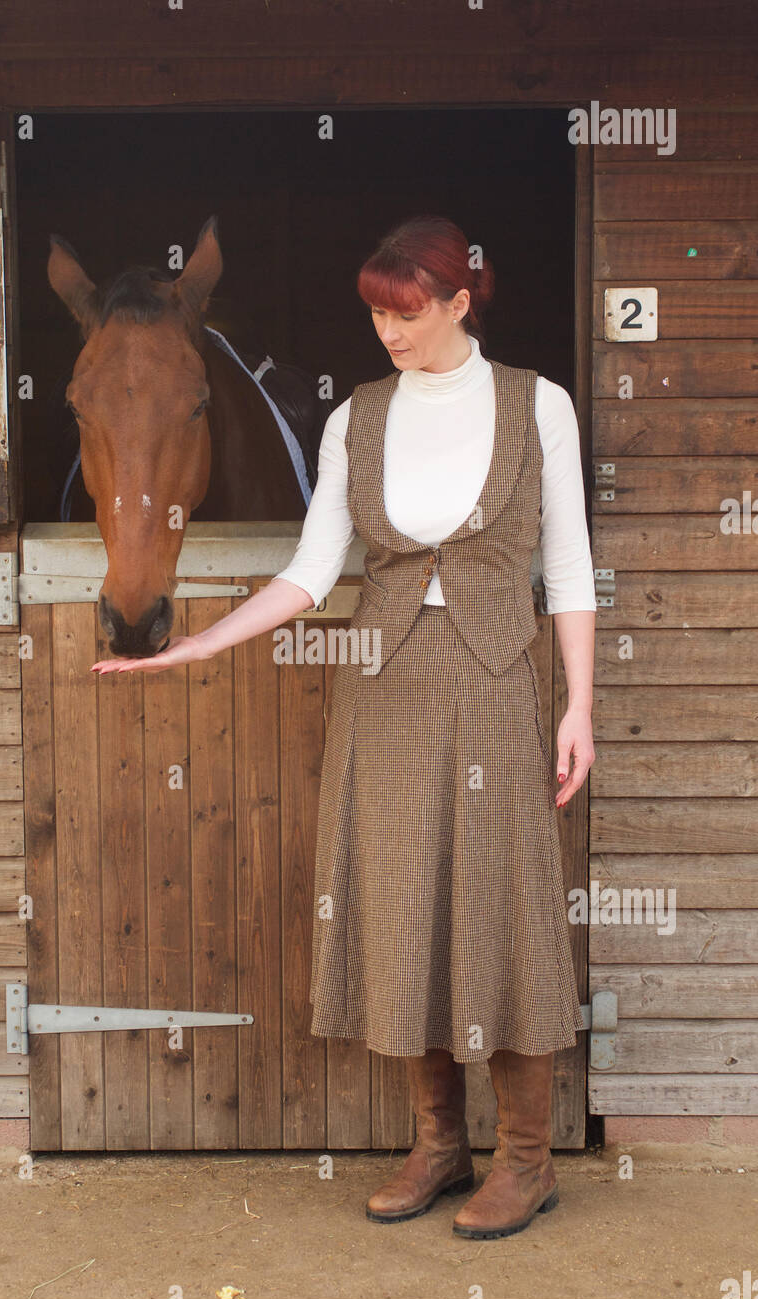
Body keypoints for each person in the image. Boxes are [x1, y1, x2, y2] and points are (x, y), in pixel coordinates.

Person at [93, 214, 597, 1242]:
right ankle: (437, 1145)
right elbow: (308, 574)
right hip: (388, 693)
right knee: (404, 907)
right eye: (375, 312)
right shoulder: (354, 420)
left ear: (462, 301)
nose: (387, 331)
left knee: (503, 913)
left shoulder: (535, 406)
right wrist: (193, 647)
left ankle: (527, 1158)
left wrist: (578, 701)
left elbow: (572, 568)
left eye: (405, 311)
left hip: (501, 684)